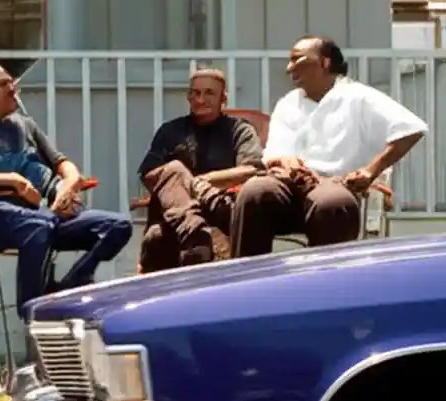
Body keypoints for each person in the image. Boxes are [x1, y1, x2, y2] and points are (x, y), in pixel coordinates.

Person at [0, 59, 133, 320]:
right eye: (2, 84)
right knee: (39, 225)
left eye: (12, 82)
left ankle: (71, 284)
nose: (13, 89)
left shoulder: (25, 125)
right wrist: (14, 181)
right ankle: (33, 308)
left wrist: (69, 184)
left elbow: (62, 163)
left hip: (47, 215)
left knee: (118, 225)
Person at [230, 36, 428, 257]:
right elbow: (273, 156)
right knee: (254, 192)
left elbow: (412, 129)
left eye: (297, 60)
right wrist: (285, 163)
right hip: (287, 187)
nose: (289, 68)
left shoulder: (358, 97)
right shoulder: (288, 103)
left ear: (324, 63)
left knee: (330, 203)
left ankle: (324, 286)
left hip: (335, 185)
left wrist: (371, 171)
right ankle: (250, 284)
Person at [135, 68, 264, 271]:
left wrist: (202, 181)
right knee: (174, 170)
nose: (200, 99)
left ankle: (195, 236)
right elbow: (148, 173)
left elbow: (251, 170)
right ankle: (195, 234)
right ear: (188, 97)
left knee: (177, 172)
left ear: (224, 98)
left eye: (209, 93)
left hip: (220, 207)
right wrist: (181, 179)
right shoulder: (170, 131)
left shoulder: (240, 130)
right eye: (195, 93)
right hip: (176, 214)